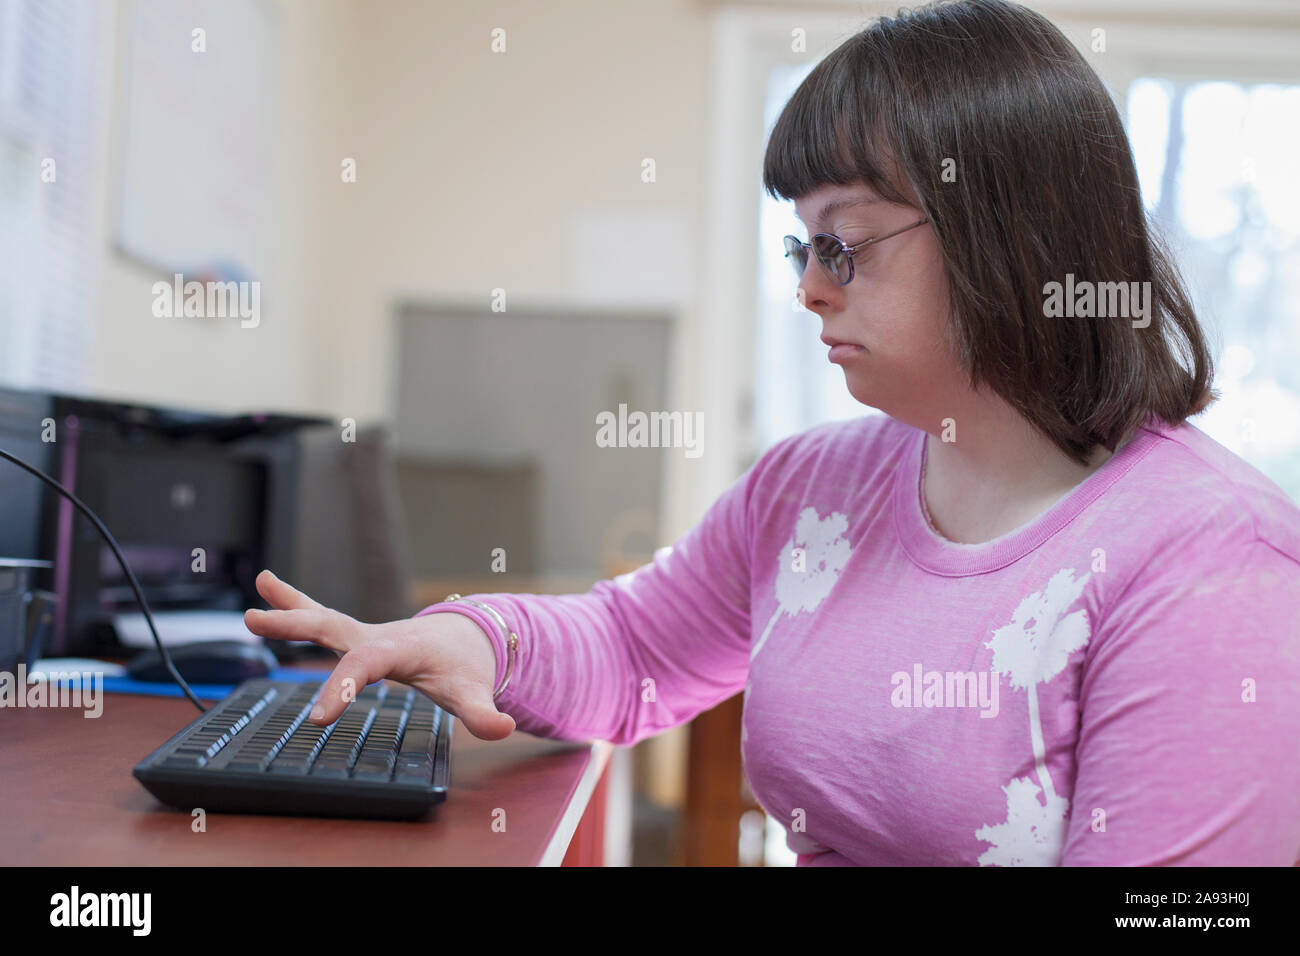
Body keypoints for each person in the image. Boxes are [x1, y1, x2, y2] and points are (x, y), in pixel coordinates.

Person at [243, 0, 1300, 865]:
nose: (806, 288)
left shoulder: (1216, 563)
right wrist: (473, 636)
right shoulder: (810, 487)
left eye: (842, 244)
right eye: (800, 243)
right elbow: (633, 647)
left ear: (1006, 237)